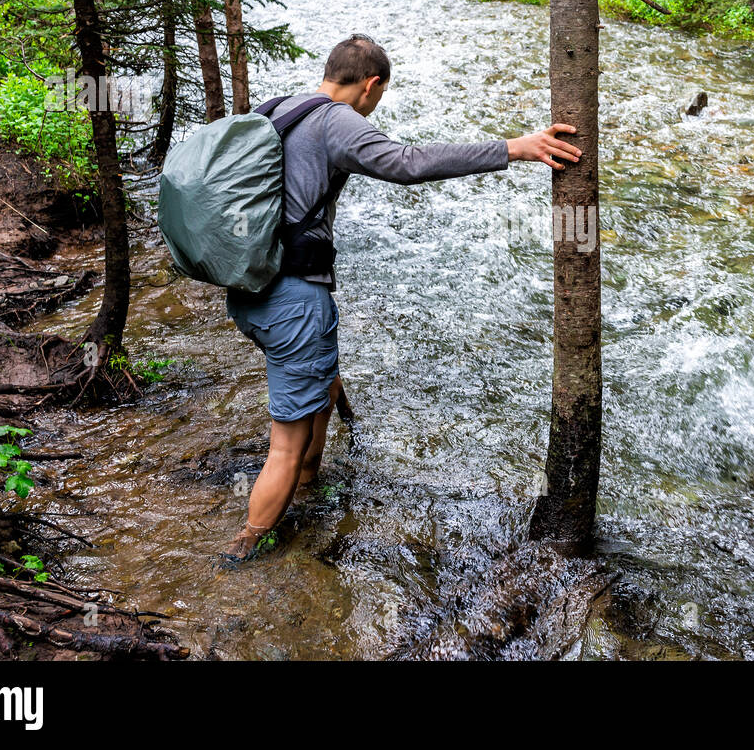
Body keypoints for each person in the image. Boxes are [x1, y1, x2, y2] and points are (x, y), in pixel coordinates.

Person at [222, 33, 582, 560]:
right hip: (294, 298)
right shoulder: (336, 119)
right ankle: (243, 551)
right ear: (370, 86)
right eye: (379, 98)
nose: (374, 109)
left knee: (318, 390)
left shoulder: (280, 109)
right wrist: (512, 148)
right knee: (285, 445)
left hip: (251, 289)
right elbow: (407, 163)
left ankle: (308, 494)